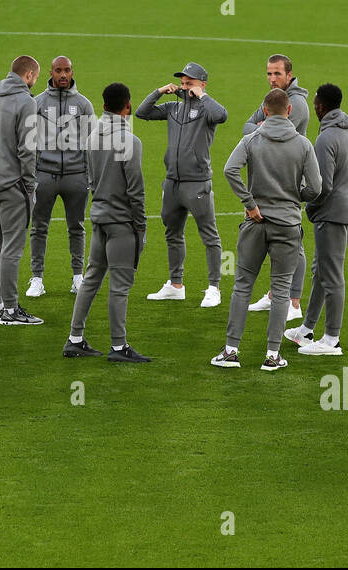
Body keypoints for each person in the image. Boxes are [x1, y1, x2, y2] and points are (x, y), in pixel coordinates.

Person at [212, 88, 320, 371]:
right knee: (282, 290)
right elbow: (317, 188)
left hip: (255, 222)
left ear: (264, 110)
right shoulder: (303, 144)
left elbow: (229, 170)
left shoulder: (251, 140)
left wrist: (249, 203)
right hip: (287, 225)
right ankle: (272, 356)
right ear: (289, 111)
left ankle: (231, 350)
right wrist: (297, 196)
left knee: (242, 285)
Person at [63, 82, 151, 363]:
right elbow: (135, 188)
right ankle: (118, 346)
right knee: (120, 286)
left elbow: (90, 179)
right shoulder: (130, 141)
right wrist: (140, 224)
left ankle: (75, 339)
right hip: (122, 223)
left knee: (91, 279)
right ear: (128, 106)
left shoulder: (91, 138)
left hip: (99, 218)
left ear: (103, 107)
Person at [285, 83, 348, 356]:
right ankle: (307, 329)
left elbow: (322, 186)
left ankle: (332, 339)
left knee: (331, 277)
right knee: (322, 271)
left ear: (320, 107)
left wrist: (308, 205)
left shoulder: (325, 138)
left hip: (331, 215)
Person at [136, 62, 228, 308]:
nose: (185, 86)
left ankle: (214, 288)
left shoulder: (207, 110)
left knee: (209, 236)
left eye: (190, 83)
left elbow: (222, 115)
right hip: (172, 183)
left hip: (197, 183)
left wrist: (203, 96)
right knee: (172, 233)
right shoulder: (173, 108)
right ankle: (176, 285)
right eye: (183, 82)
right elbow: (141, 112)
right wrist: (159, 91)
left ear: (202, 84)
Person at [243, 54, 311, 321]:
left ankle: (293, 302)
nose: (272, 79)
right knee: (281, 238)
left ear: (289, 75)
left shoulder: (298, 105)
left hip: (290, 180)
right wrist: (259, 128)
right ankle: (275, 295)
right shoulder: (273, 98)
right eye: (269, 74)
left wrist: (260, 128)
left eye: (277, 74)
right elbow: (248, 126)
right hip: (273, 177)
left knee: (295, 242)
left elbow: (273, 138)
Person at [0, 56, 43, 326]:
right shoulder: (26, 102)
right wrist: (29, 184)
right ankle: (12, 310)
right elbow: (27, 149)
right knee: (12, 249)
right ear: (28, 75)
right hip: (12, 184)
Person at [27, 56, 94, 299]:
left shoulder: (84, 105)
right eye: (58, 71)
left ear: (72, 71)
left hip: (76, 177)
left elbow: (91, 144)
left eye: (66, 70)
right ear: (51, 72)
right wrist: (31, 174)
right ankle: (37, 278)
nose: (63, 75)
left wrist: (90, 178)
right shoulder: (36, 103)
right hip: (44, 175)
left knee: (76, 227)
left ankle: (78, 276)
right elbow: (28, 142)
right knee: (39, 228)